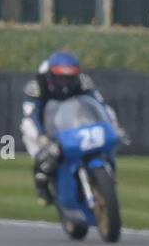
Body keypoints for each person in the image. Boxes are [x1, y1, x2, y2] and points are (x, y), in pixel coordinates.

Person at [19, 51, 113, 205]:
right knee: (40, 149)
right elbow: (31, 116)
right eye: (61, 78)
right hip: (45, 123)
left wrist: (112, 126)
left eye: (70, 78)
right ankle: (41, 184)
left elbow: (101, 106)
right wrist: (41, 136)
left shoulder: (83, 82)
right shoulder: (37, 85)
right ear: (51, 75)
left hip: (73, 121)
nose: (65, 83)